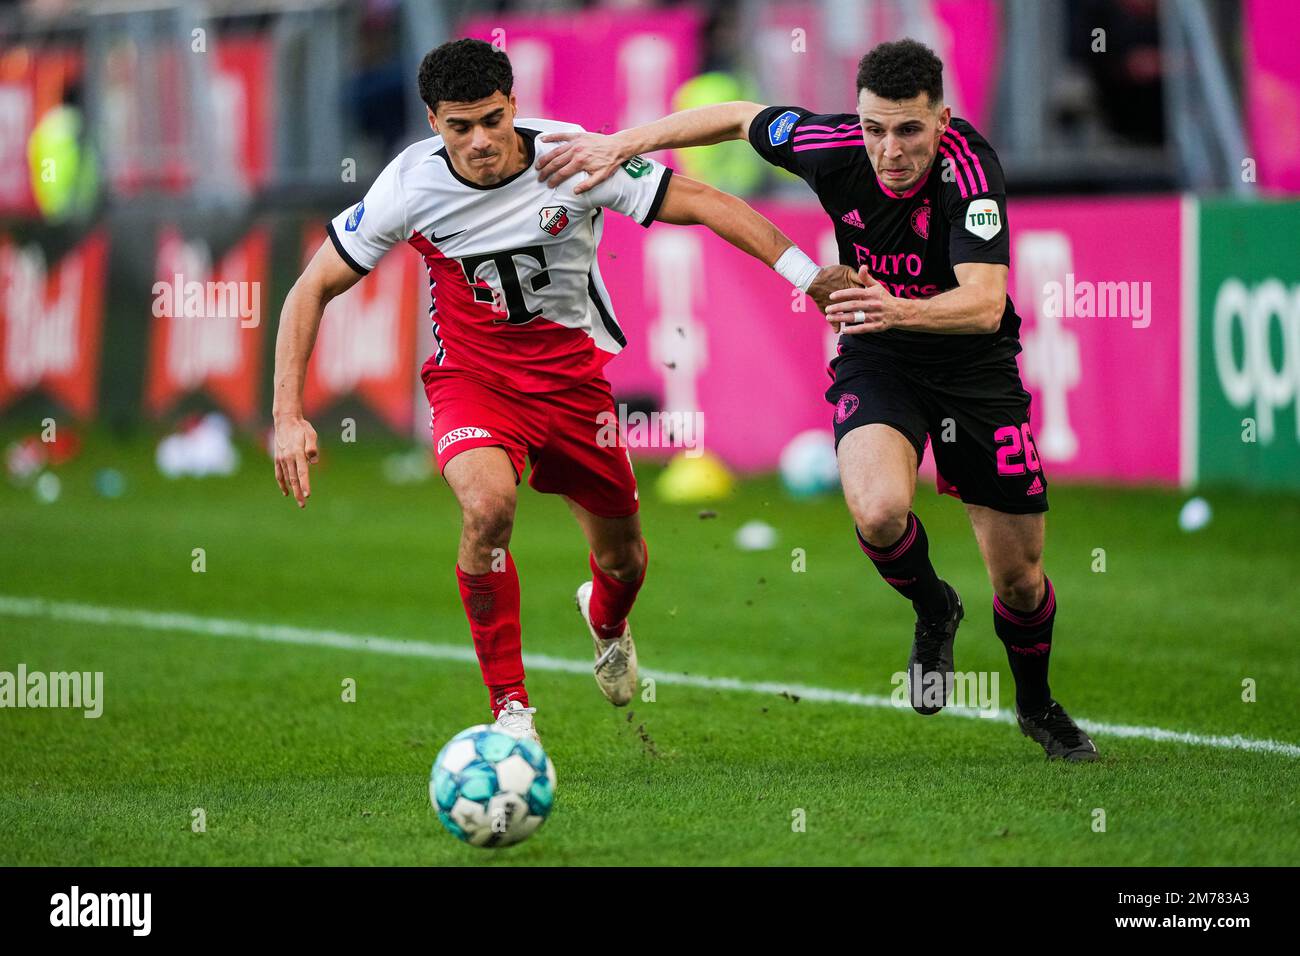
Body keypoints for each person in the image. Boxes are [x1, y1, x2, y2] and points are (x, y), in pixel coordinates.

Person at [271, 38, 856, 746]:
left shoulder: (574, 157)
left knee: (625, 561)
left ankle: (606, 620)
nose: (481, 141)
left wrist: (805, 273)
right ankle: (511, 710)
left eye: (492, 119)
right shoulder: (408, 186)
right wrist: (288, 415)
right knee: (488, 508)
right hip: (473, 383)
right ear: (433, 123)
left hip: (575, 389)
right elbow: (311, 288)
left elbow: (701, 201)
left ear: (513, 106)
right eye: (460, 127)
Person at [536, 38, 1098, 761]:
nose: (889, 150)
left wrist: (893, 306)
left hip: (972, 367)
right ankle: (935, 605)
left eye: (908, 130)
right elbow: (740, 116)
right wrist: (621, 143)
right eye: (873, 129)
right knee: (878, 510)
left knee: (1020, 581)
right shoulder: (829, 143)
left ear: (943, 119)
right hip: (880, 357)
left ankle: (1037, 706)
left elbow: (986, 304)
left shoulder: (969, 170)